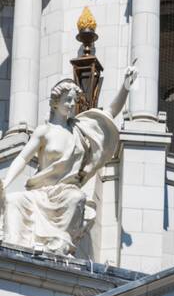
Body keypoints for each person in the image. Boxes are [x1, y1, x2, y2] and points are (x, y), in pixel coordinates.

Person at [0, 66, 136, 257]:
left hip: (65, 192)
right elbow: (23, 157)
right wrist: (6, 181)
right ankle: (12, 256)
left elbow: (110, 113)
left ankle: (59, 244)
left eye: (74, 101)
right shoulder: (44, 131)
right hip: (41, 193)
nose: (72, 104)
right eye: (68, 100)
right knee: (14, 200)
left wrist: (125, 87)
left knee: (77, 198)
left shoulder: (80, 129)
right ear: (56, 102)